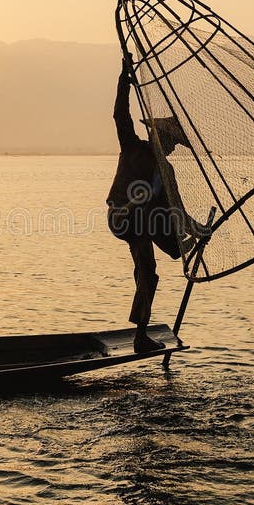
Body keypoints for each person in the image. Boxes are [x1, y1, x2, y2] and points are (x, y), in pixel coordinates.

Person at [106, 59, 190, 353]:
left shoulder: (166, 169)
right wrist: (124, 81)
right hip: (124, 216)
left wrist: (198, 230)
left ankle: (178, 248)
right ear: (157, 136)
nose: (171, 148)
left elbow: (177, 208)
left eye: (173, 144)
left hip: (146, 220)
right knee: (148, 265)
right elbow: (120, 116)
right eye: (169, 141)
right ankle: (140, 337)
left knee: (156, 267)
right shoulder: (133, 148)